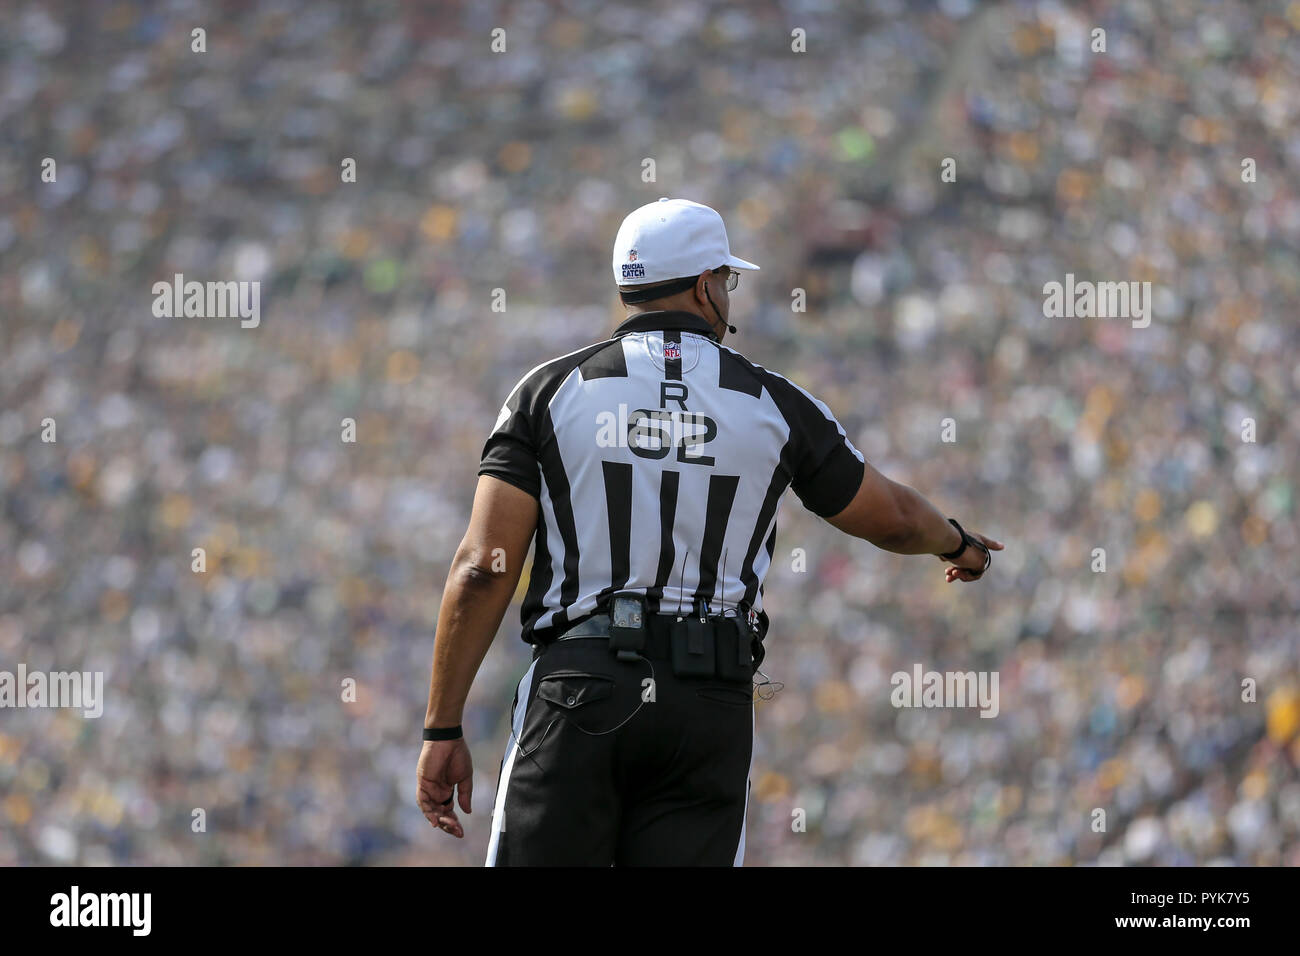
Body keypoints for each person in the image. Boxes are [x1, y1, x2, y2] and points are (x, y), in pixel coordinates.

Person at [415, 197, 1003, 865]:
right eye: (727, 280)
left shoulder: (549, 391)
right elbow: (892, 518)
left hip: (581, 686)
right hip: (706, 701)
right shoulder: (773, 400)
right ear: (703, 286)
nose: (728, 294)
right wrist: (958, 543)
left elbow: (483, 567)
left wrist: (442, 724)